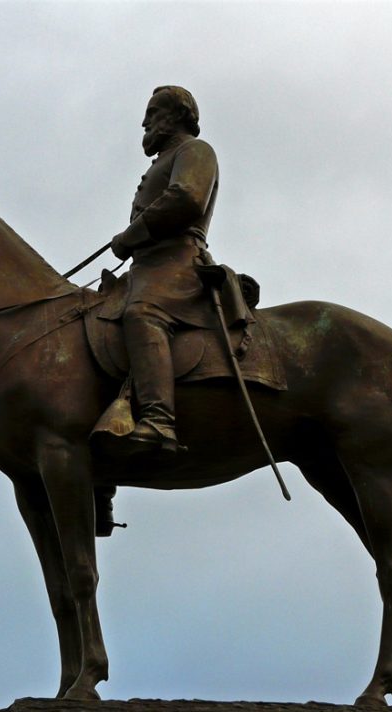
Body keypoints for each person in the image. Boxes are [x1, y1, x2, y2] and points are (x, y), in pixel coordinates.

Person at [110, 86, 220, 453]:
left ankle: (159, 420)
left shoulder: (194, 150)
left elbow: (186, 198)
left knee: (143, 313)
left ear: (177, 116)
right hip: (148, 266)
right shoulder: (164, 159)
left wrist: (131, 234)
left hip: (177, 263)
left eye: (153, 112)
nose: (145, 122)